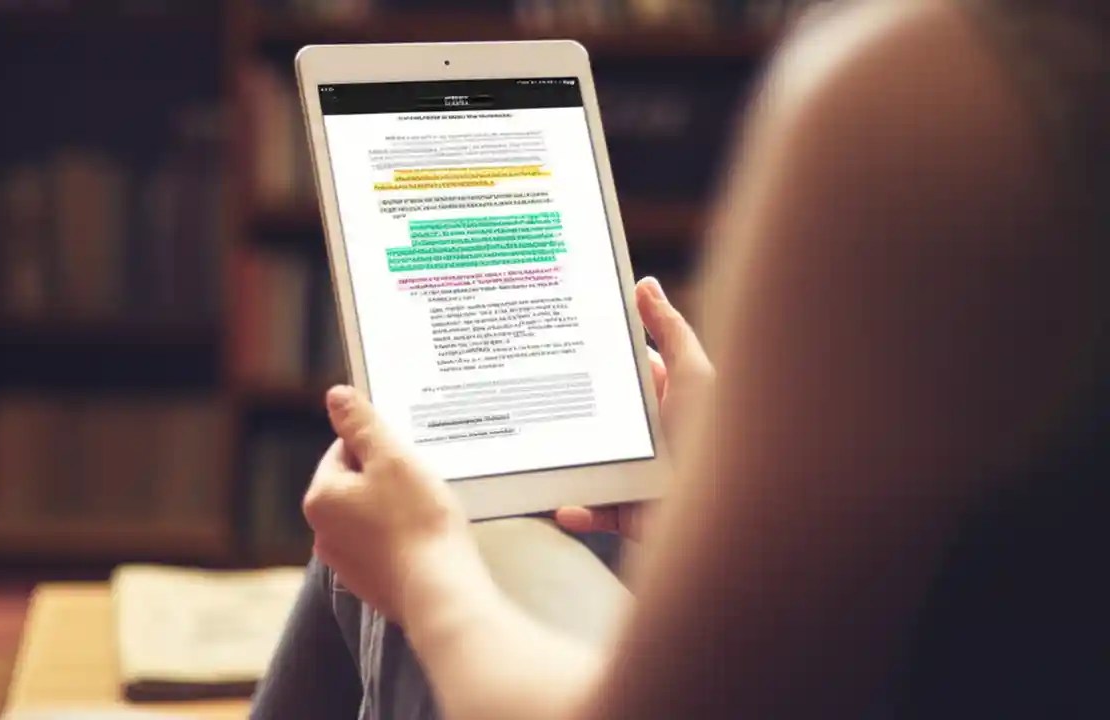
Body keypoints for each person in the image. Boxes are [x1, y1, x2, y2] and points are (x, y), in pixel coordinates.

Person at [254, 0, 1108, 717]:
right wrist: (753, 489)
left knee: (426, 535)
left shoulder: (948, 84)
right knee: (416, 522)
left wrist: (416, 568)